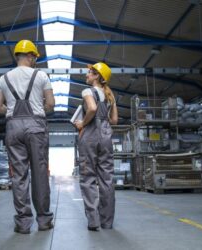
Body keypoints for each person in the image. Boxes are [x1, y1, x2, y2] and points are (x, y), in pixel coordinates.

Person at [0, 39, 55, 234]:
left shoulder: (3, 79)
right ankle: (44, 220)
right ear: (30, 56)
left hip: (13, 127)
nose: (35, 60)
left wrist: (11, 111)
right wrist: (38, 111)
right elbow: (51, 104)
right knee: (40, 174)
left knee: (19, 176)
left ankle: (23, 223)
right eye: (34, 57)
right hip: (36, 126)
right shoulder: (41, 76)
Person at [74, 62, 118, 231]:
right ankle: (107, 222)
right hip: (106, 135)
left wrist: (82, 124)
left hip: (90, 135)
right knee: (107, 179)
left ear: (98, 76)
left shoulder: (87, 91)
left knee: (88, 178)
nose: (87, 75)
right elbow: (114, 120)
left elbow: (91, 108)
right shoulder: (110, 95)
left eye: (90, 73)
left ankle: (93, 221)